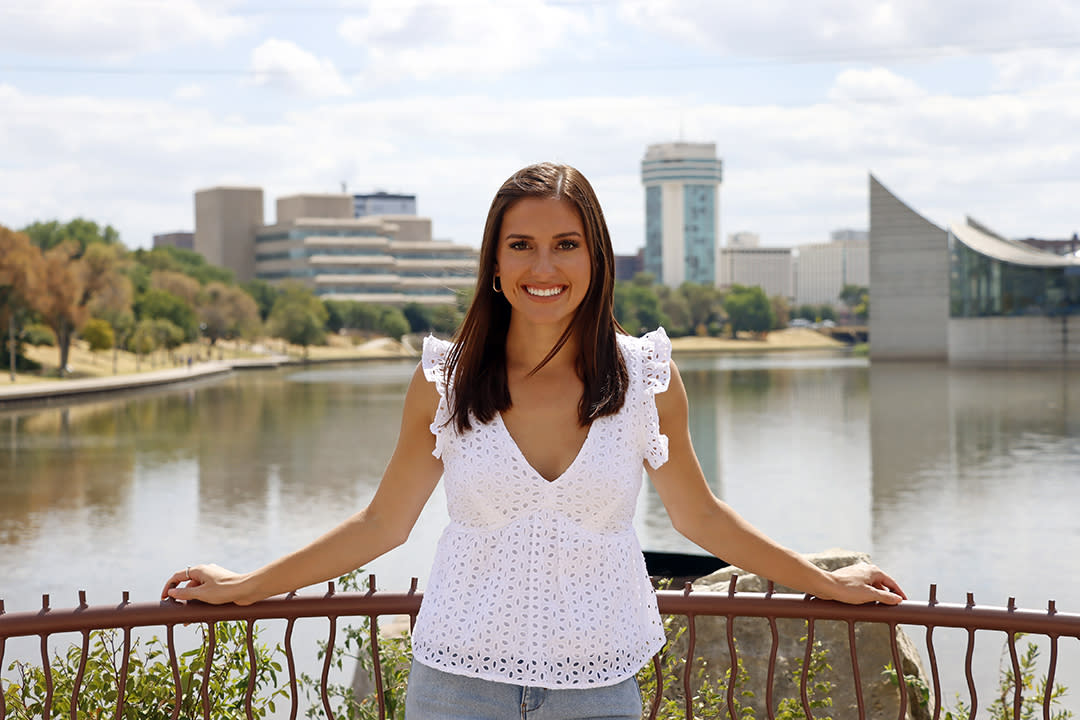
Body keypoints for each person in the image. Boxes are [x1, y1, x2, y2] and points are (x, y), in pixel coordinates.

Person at [162, 162, 906, 719]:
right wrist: (247, 585)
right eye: (521, 245)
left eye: (565, 245)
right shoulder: (446, 380)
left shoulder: (646, 380)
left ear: (596, 258)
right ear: (494, 262)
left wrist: (825, 583)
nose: (543, 267)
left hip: (598, 687)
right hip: (456, 685)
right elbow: (382, 523)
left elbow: (701, 516)